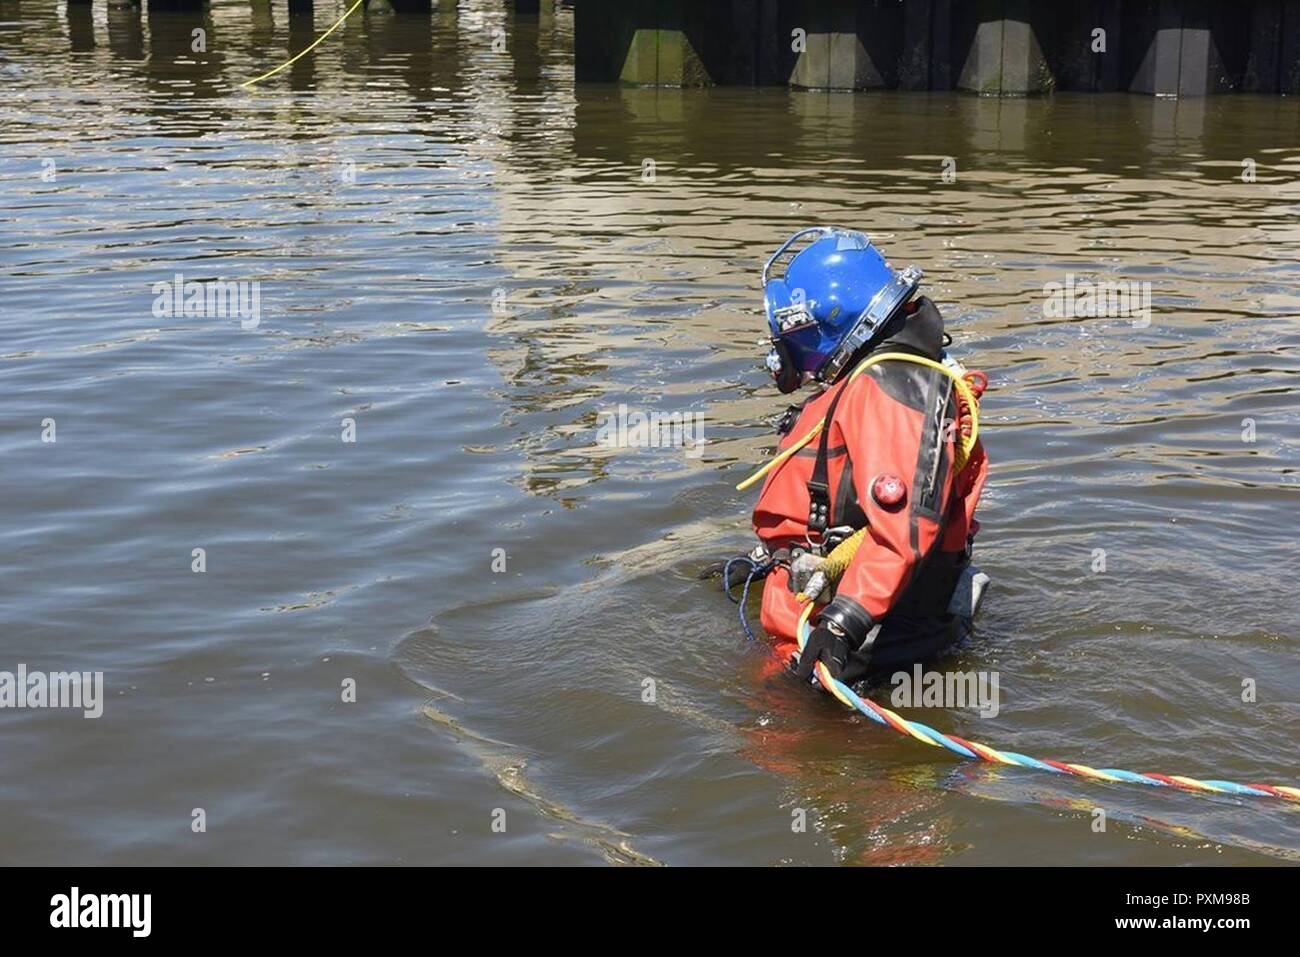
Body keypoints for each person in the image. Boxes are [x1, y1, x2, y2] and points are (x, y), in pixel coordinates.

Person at [743, 227, 990, 691]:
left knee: (782, 752)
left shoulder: (890, 387)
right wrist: (770, 556)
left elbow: (903, 528)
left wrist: (842, 624)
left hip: (867, 649)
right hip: (835, 619)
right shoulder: (878, 377)